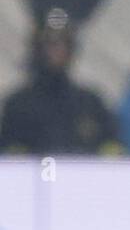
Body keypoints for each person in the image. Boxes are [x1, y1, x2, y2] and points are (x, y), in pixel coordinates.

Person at [0, 10, 121, 156]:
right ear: (38, 49)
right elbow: (10, 156)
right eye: (51, 44)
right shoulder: (18, 104)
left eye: (64, 44)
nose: (58, 51)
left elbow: (113, 150)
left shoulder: (90, 103)